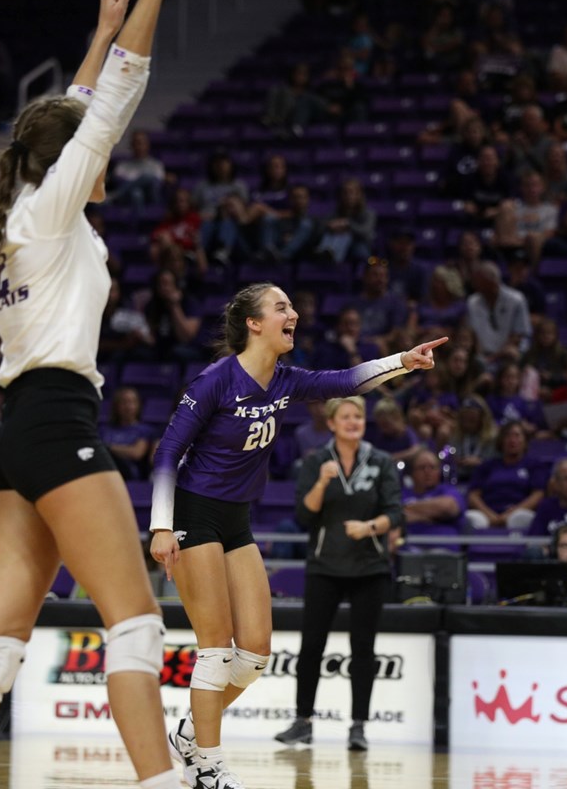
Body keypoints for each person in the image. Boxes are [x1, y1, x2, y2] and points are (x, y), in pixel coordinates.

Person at [0, 0, 181, 789]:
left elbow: (70, 112)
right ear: (71, 162)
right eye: (93, 153)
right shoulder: (57, 213)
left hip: (15, 435)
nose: (107, 160)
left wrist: (100, 30)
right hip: (58, 423)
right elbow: (116, 96)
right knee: (135, 626)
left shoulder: (29, 213)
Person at [148, 283, 443, 788]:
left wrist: (403, 361)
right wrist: (159, 526)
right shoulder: (214, 381)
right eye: (281, 307)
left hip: (236, 518)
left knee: (255, 654)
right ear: (254, 324)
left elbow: (348, 380)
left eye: (292, 306)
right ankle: (206, 766)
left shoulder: (285, 380)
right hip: (193, 513)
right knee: (216, 649)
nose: (295, 314)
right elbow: (166, 454)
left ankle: (193, 730)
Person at [274, 396, 403, 751]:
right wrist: (320, 483)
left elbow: (396, 512)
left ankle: (358, 726)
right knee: (311, 646)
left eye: (357, 416)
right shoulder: (315, 461)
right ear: (331, 424)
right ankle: (303, 722)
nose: (352, 421)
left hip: (370, 568)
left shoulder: (380, 462)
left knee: (363, 648)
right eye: (345, 416)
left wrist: (370, 527)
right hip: (324, 566)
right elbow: (303, 515)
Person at [465, 423, 546, 531]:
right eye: (508, 436)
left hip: (519, 512)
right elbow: (473, 495)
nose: (512, 440)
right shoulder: (487, 466)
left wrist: (511, 513)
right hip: (488, 513)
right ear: (501, 441)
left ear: (525, 441)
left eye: (517, 436)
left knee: (521, 518)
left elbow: (538, 494)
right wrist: (490, 515)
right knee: (469, 518)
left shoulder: (534, 465)